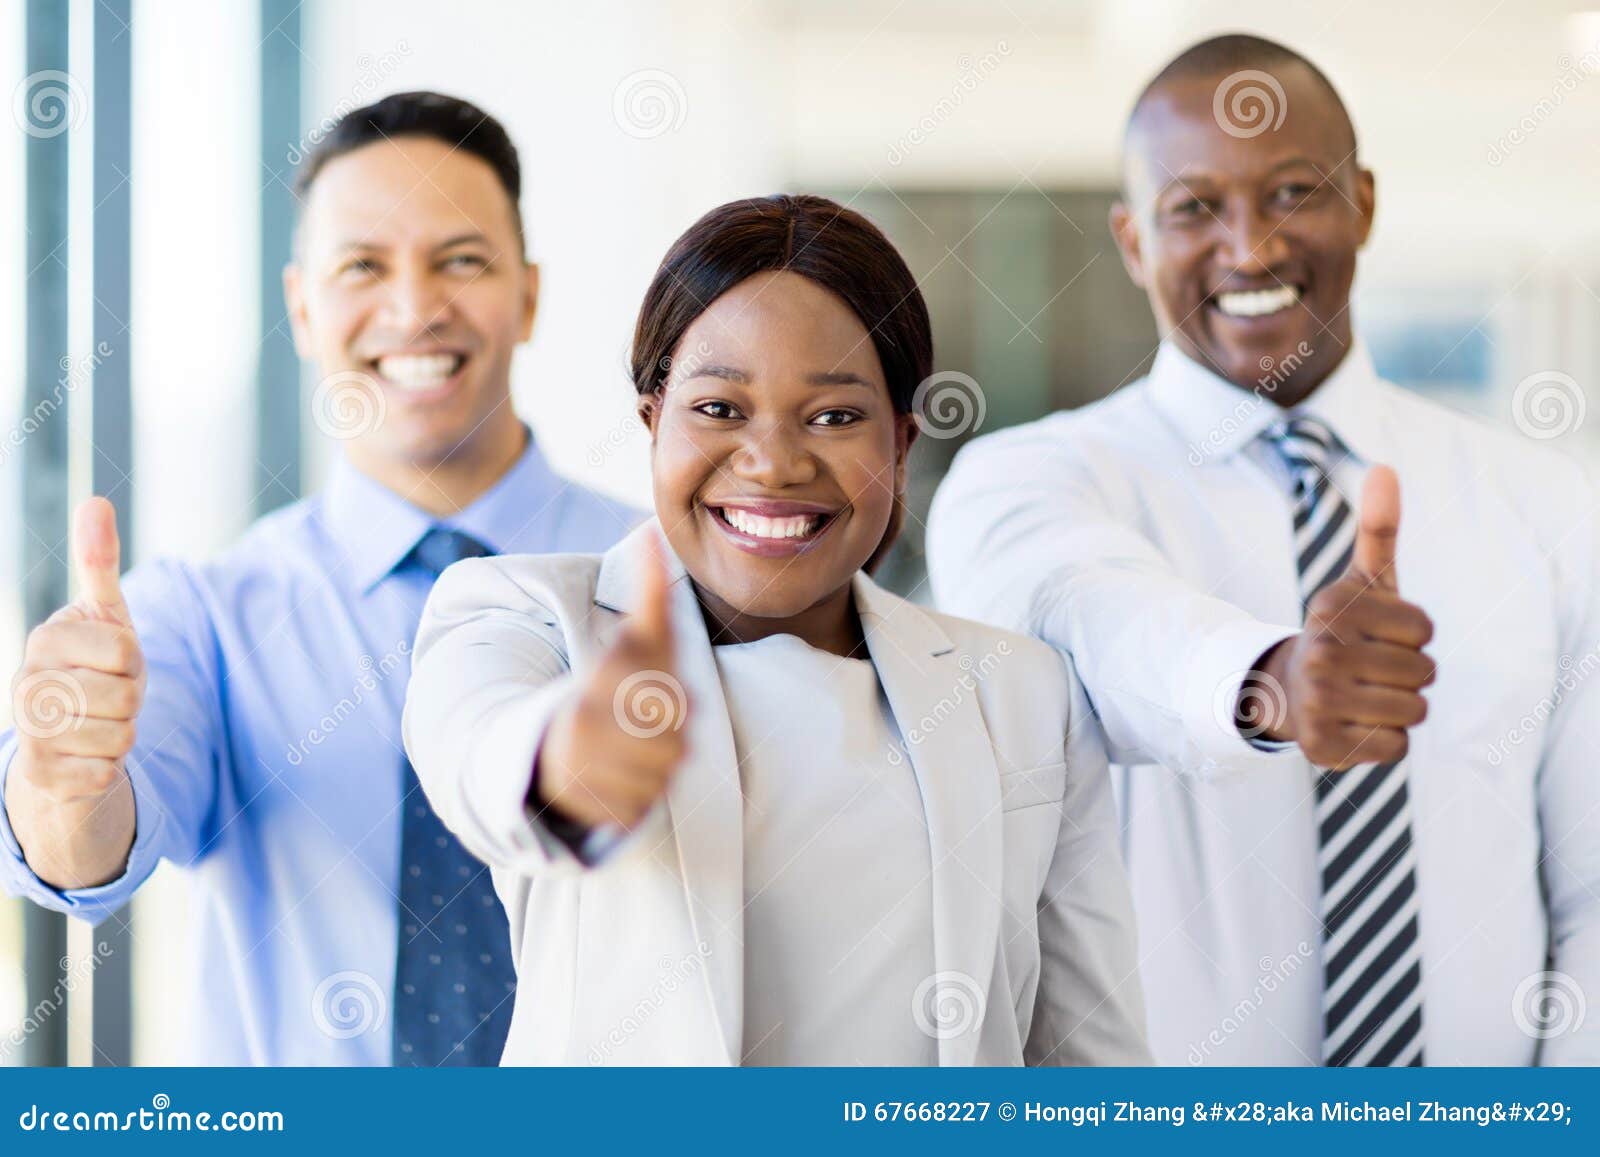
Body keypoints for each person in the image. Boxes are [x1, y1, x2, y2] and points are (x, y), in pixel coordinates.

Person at [927, 34, 1600, 1066]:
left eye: (1293, 191)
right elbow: (1084, 607)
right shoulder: (1027, 483)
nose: (1248, 248)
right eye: (1194, 207)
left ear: (1363, 202)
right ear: (1132, 239)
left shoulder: (1551, 510)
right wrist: (1266, 681)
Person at [402, 194, 1150, 1066]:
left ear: (902, 444)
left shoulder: (1023, 692)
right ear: (653, 423)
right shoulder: (525, 616)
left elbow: (1094, 1061)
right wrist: (570, 761)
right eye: (719, 409)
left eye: (835, 416)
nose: (774, 463)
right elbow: (477, 748)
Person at [0, 92, 640, 1065]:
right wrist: (61, 777)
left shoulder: (668, 584)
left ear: (529, 293)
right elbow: (82, 853)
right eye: (362, 267)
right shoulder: (205, 615)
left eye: (462, 260)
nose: (416, 307)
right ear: (303, 309)